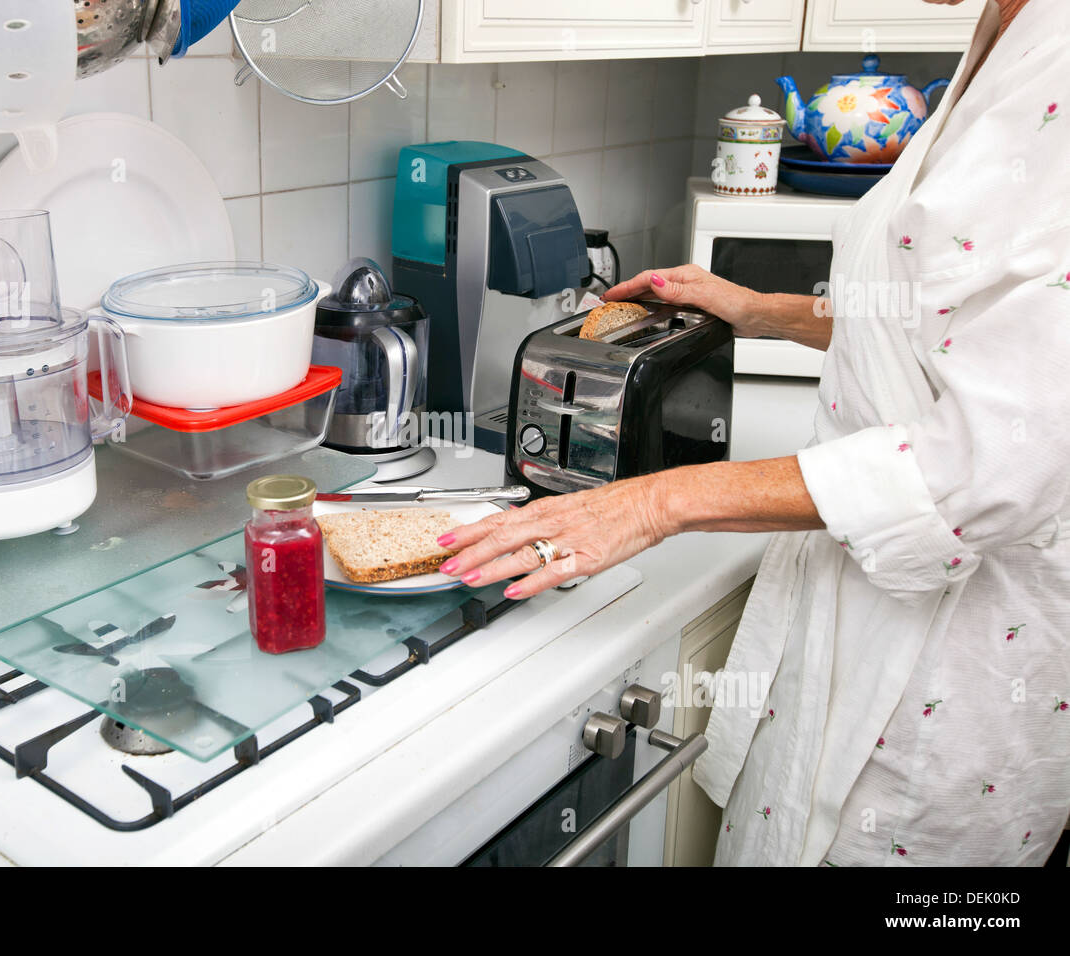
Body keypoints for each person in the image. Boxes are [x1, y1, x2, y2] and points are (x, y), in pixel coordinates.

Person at [435, 0, 1069, 865]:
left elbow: (993, 461)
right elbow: (930, 325)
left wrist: (655, 503)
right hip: (859, 592)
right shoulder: (999, 35)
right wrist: (753, 309)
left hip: (961, 659)